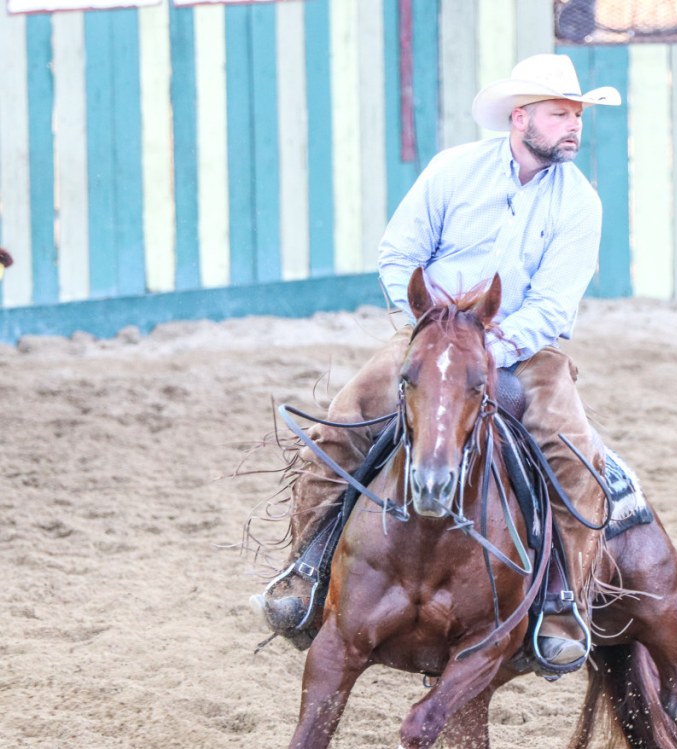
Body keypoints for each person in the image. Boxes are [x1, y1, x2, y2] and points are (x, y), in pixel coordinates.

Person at [251, 53, 621, 668]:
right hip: (431, 335)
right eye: (561, 114)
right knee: (341, 425)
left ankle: (561, 599)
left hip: (524, 347)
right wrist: (436, 329)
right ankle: (307, 565)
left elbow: (555, 305)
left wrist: (488, 345)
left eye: (578, 115)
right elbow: (399, 255)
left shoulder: (579, 202)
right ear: (520, 116)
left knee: (574, 455)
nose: (574, 126)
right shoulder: (455, 170)